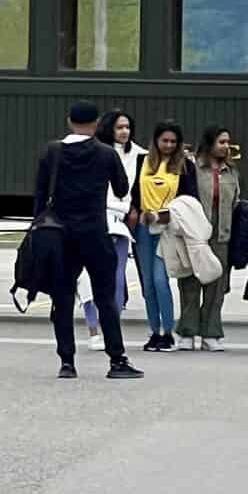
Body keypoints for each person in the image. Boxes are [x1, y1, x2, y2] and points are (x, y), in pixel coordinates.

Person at [32, 101, 139, 380]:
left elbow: (40, 195)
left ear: (69, 121)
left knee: (63, 298)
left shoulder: (52, 151)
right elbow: (121, 188)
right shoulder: (105, 154)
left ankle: (67, 362)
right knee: (105, 298)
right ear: (97, 123)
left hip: (61, 235)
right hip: (95, 233)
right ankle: (117, 360)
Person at [177, 126, 239, 350]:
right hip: (195, 232)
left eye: (227, 142)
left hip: (221, 234)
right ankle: (187, 331)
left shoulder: (231, 171)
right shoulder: (191, 167)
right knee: (190, 282)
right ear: (210, 143)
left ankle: (210, 333)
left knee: (216, 284)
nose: (225, 147)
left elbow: (235, 202)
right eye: (221, 142)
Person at [82, 111, 139, 345]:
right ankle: (93, 330)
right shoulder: (93, 152)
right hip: (94, 218)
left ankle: (110, 330)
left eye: (127, 127)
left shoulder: (139, 155)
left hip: (120, 221)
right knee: (86, 277)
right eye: (119, 127)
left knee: (115, 278)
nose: (124, 131)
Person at [132, 121, 187, 353]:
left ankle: (168, 331)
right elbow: (133, 190)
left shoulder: (184, 166)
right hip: (144, 228)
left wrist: (163, 215)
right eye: (164, 140)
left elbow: (188, 199)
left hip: (168, 228)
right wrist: (138, 211)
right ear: (155, 140)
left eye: (173, 142)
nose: (168, 145)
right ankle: (154, 331)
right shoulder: (141, 161)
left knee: (160, 280)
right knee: (147, 284)